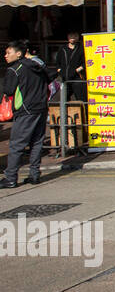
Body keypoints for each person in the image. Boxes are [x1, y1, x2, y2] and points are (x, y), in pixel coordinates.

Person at [2, 40, 54, 188]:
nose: (6, 56)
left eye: (8, 53)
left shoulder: (14, 69)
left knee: (16, 145)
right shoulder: (36, 65)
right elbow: (49, 77)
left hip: (25, 110)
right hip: (41, 108)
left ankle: (11, 178)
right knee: (37, 143)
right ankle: (34, 175)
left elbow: (9, 91)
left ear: (18, 54)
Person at [51, 32, 86, 105]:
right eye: (71, 36)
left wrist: (76, 70)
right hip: (64, 78)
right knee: (64, 99)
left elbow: (84, 63)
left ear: (77, 37)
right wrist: (60, 70)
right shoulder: (62, 48)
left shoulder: (81, 48)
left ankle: (83, 114)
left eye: (74, 36)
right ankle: (65, 115)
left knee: (81, 99)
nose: (72, 38)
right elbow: (57, 62)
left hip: (77, 78)